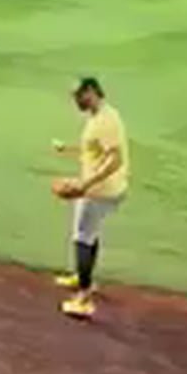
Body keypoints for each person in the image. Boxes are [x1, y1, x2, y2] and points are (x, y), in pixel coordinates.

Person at [50, 77, 130, 319]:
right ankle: (84, 277)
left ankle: (83, 298)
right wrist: (69, 149)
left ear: (91, 92)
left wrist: (86, 184)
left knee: (82, 237)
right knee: (89, 233)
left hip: (100, 191)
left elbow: (115, 159)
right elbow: (95, 150)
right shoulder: (100, 116)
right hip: (100, 189)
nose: (75, 102)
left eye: (78, 96)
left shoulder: (106, 121)